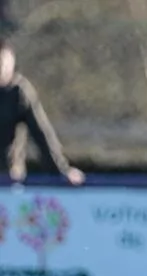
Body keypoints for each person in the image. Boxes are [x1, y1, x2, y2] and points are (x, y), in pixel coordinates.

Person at [0, 39, 84, 185]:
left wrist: (62, 170)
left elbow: (42, 134)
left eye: (4, 64)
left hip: (8, 181)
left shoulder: (19, 93)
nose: (2, 69)